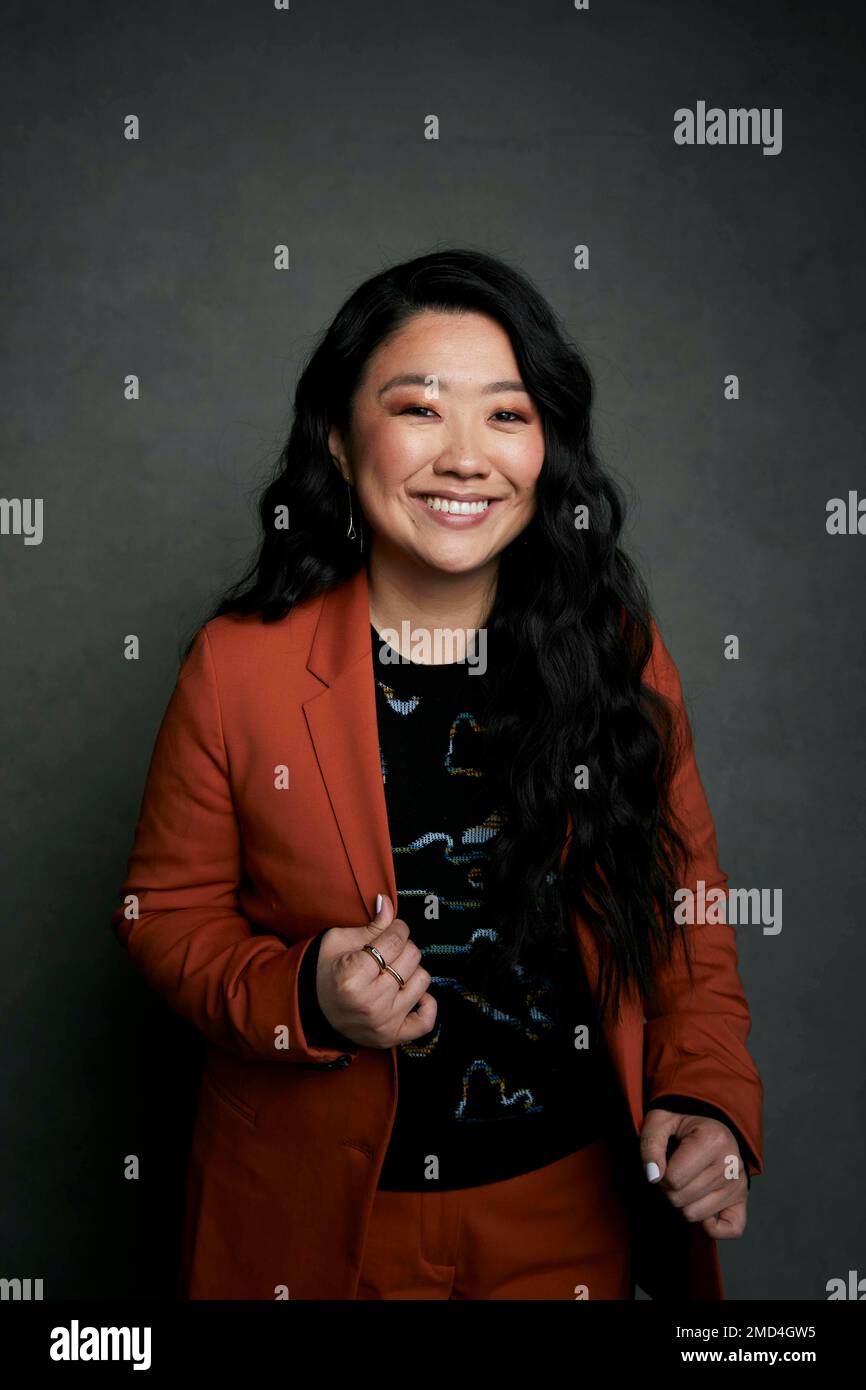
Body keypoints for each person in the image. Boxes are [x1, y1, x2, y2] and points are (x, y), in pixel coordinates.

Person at [111, 247, 764, 1301]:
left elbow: (682, 910)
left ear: (545, 449)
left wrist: (711, 1097)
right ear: (338, 437)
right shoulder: (238, 666)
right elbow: (162, 912)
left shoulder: (613, 653)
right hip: (320, 1222)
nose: (466, 457)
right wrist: (306, 995)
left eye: (505, 416)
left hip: (567, 1208)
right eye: (419, 408)